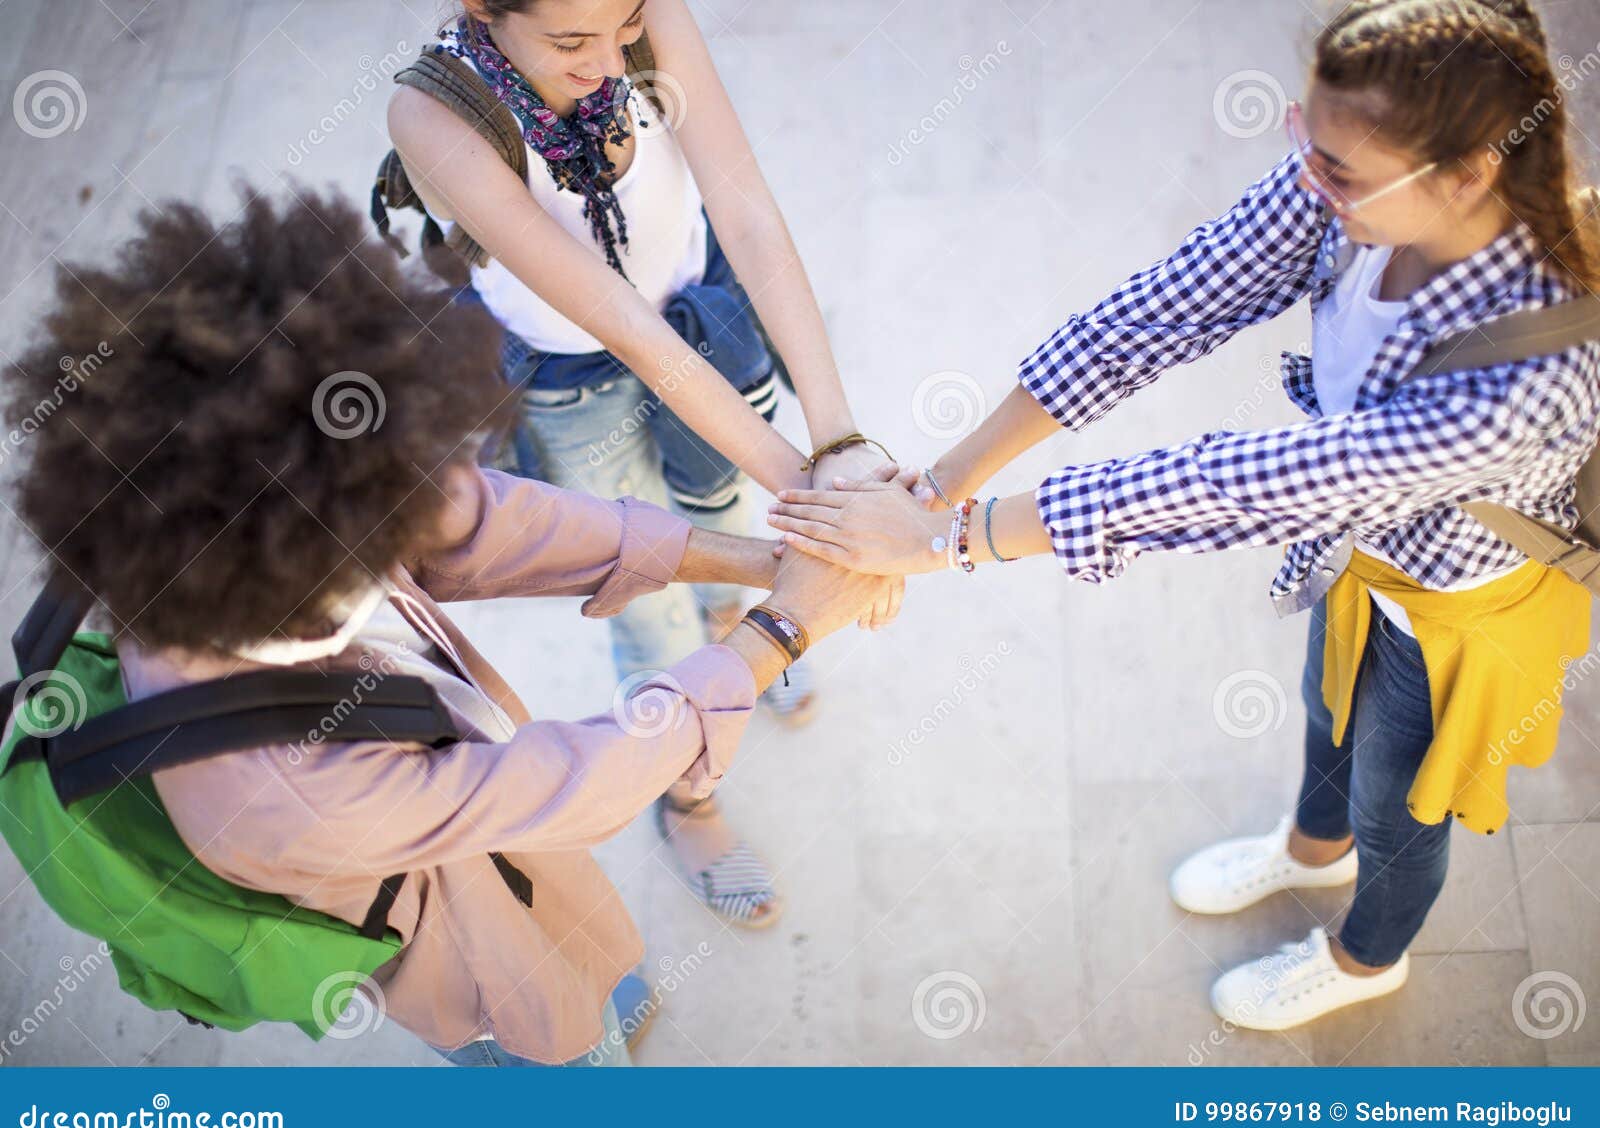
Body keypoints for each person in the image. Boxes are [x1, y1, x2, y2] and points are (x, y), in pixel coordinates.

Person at [767, 0, 1600, 1029]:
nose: (1307, 174)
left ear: (1465, 174)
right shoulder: (1348, 190)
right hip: (1361, 556)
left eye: (1337, 166)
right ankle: (1307, 847)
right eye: (1305, 134)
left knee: (1402, 802)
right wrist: (939, 483)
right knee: (1325, 715)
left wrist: (950, 543)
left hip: (1459, 607)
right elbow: (1160, 310)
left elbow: (1239, 484)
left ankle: (1364, 951)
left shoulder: (1522, 374)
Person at [3, 187, 887, 1066]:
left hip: (493, 851)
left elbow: (485, 520)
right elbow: (565, 781)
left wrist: (747, 560)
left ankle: (604, 979)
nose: (423, 511)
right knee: (567, 1052)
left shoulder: (283, 491)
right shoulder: (290, 782)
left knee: (581, 941)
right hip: (472, 963)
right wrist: (780, 629)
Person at [386, 0, 907, 926]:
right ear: (480, 9)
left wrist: (841, 451)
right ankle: (688, 799)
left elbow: (745, 215)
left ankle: (748, 623)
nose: (609, 57)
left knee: (735, 514)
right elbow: (622, 327)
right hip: (573, 372)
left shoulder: (638, 17)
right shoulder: (435, 117)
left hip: (705, 313)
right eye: (569, 42)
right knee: (651, 594)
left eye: (623, 24)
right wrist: (826, 506)